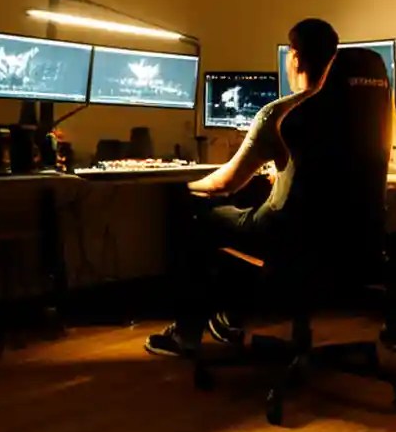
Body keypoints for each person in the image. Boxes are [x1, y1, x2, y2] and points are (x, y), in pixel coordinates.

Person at [145, 18, 340, 356]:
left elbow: (225, 183)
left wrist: (186, 184)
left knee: (201, 217)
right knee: (242, 214)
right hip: (341, 236)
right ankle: (227, 318)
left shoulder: (278, 113)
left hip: (285, 235)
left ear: (294, 59)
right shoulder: (347, 112)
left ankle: (187, 334)